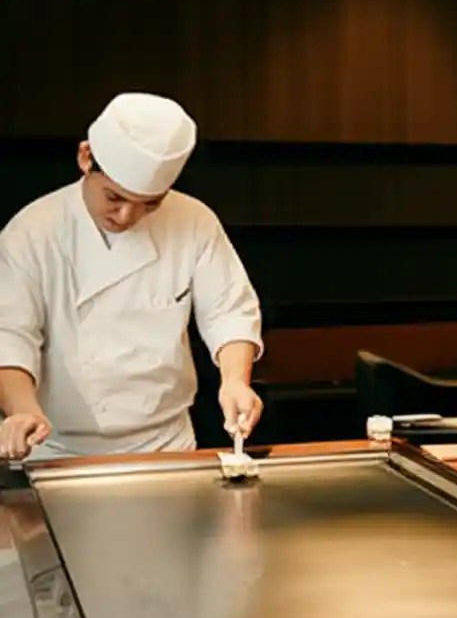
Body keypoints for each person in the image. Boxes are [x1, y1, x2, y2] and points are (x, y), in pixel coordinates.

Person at [0, 92, 265, 461]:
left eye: (150, 204)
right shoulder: (32, 232)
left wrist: (235, 381)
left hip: (165, 445)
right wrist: (21, 410)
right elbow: (9, 335)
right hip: (56, 448)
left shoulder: (194, 221)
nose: (127, 217)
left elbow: (230, 312)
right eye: (114, 197)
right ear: (85, 158)